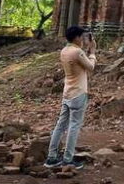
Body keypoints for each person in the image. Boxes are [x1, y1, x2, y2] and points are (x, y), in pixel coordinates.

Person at [44, 26, 97, 169]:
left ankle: (51, 157)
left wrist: (86, 51)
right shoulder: (77, 52)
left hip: (67, 92)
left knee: (60, 126)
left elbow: (79, 62)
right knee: (74, 126)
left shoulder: (65, 51)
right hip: (78, 93)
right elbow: (91, 67)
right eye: (82, 37)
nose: (83, 39)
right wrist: (92, 52)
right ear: (77, 38)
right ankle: (68, 159)